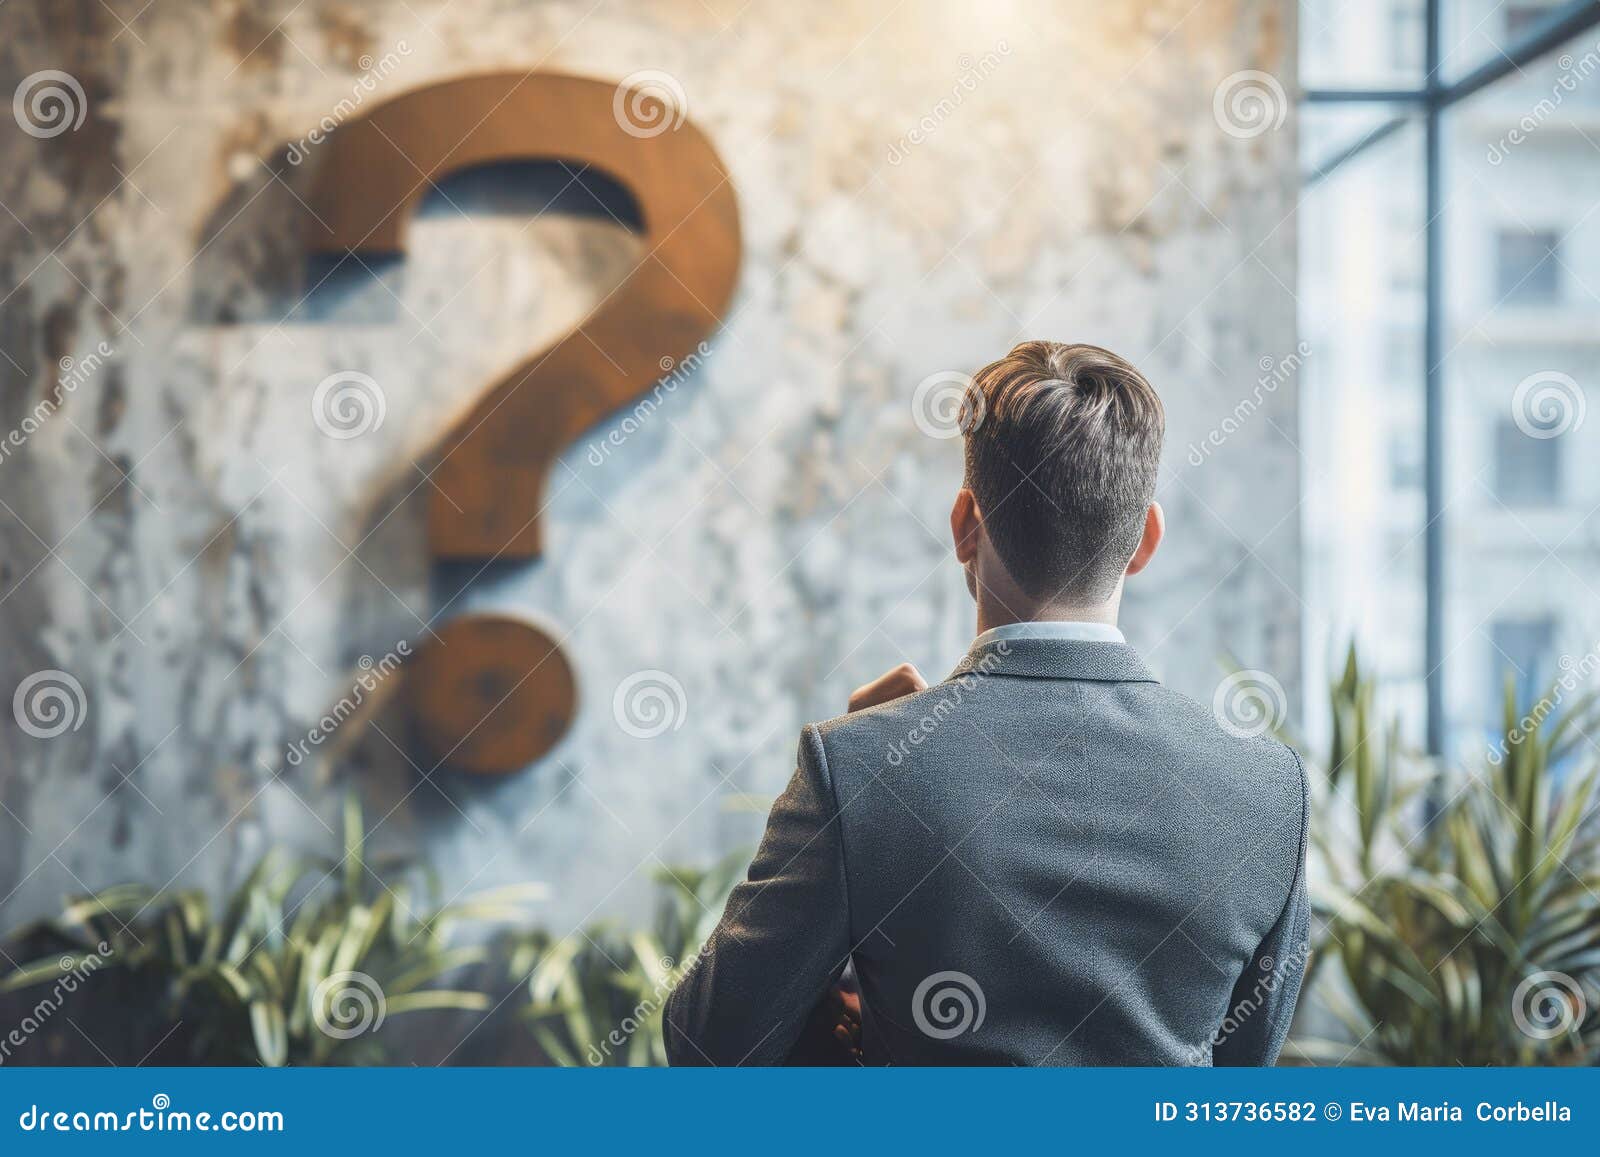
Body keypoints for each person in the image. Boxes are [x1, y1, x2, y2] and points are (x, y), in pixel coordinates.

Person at [663, 341, 1308, 1066]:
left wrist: (856, 803)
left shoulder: (859, 770)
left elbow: (708, 1043)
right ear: (1145, 539)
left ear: (965, 524)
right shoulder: (1269, 790)